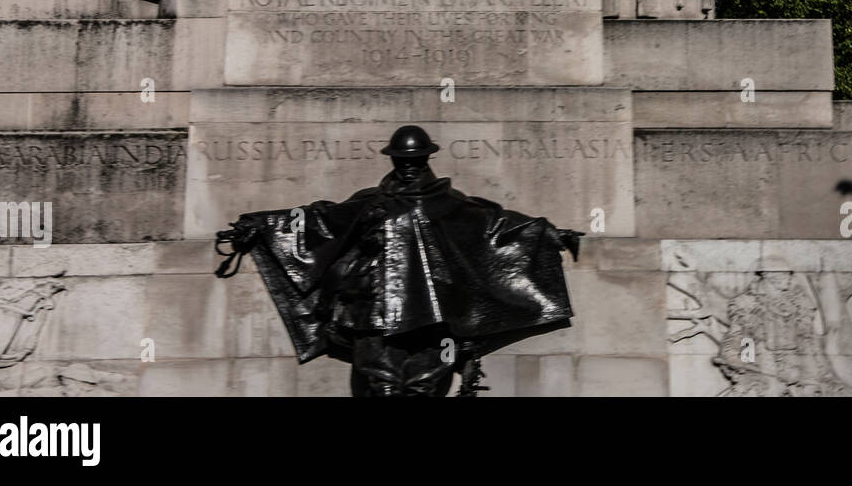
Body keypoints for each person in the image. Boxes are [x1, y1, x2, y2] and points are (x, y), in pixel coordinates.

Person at [214, 124, 582, 396]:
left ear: (426, 159)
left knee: (424, 388)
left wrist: (548, 234)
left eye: (415, 160)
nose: (409, 166)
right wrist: (259, 226)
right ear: (392, 159)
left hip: (431, 320)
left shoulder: (450, 204)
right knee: (381, 387)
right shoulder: (370, 202)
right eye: (403, 160)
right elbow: (320, 220)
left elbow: (496, 226)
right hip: (374, 315)